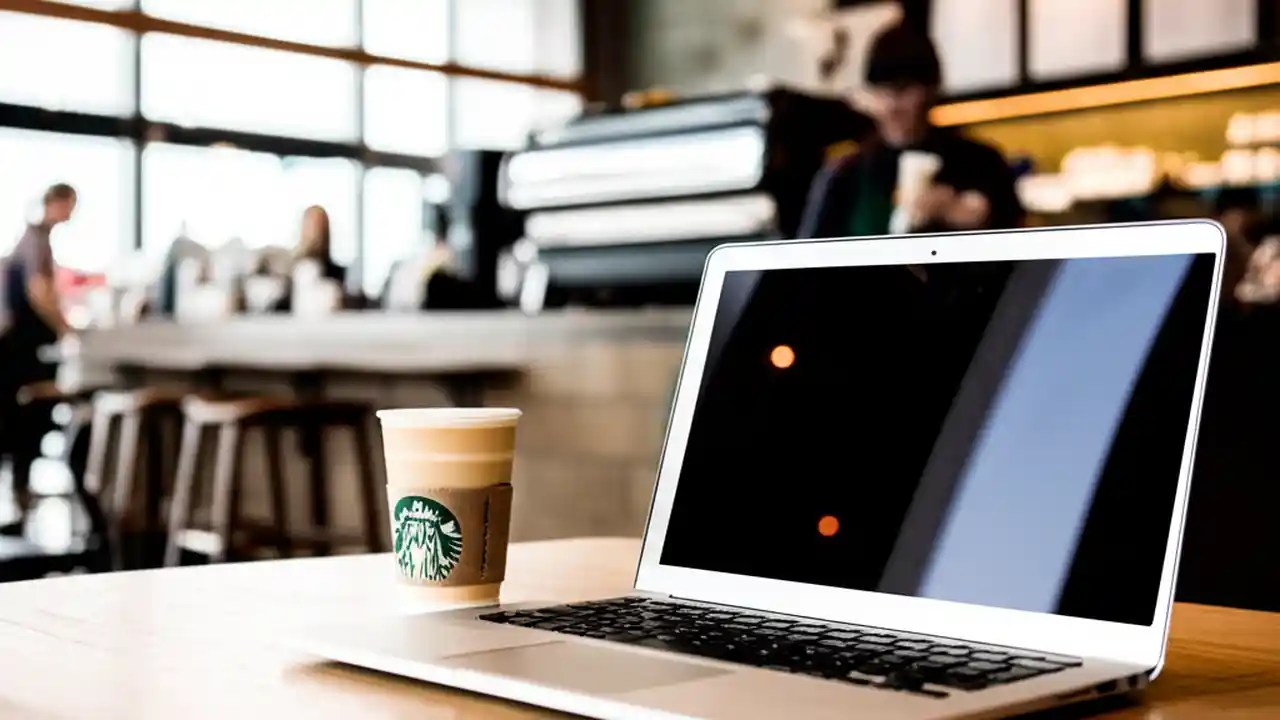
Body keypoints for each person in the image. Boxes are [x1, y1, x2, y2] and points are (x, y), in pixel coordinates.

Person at [798, 23, 1023, 239]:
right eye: (882, 90)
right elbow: (809, 261)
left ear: (931, 90)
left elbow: (1020, 249)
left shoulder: (981, 163)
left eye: (904, 89)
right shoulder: (845, 173)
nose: (893, 105)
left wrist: (963, 214)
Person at [0, 183, 76, 531]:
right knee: (29, 415)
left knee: (23, 416)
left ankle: (21, 488)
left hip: (20, 344)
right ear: (56, 203)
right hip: (23, 346)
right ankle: (21, 488)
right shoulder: (36, 239)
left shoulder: (32, 238)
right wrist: (64, 326)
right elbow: (38, 289)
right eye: (71, 205)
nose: (72, 213)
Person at [294, 205, 345, 285]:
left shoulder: (337, 274)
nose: (315, 234)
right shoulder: (292, 270)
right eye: (311, 225)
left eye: (319, 226)